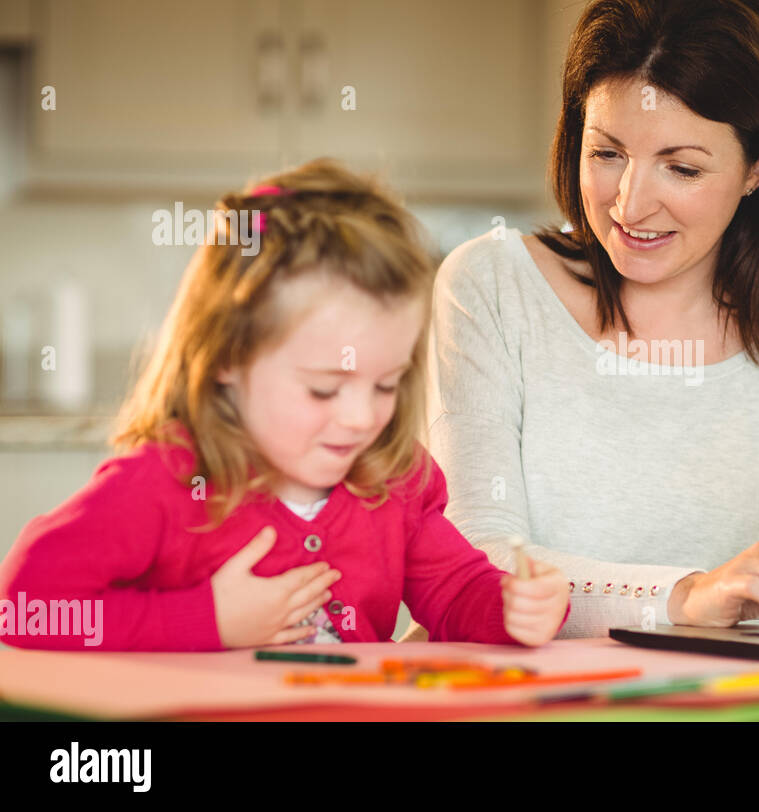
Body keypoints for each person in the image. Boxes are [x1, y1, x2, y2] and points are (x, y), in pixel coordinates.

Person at [401, 0, 759, 642]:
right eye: (607, 153)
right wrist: (687, 595)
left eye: (681, 167)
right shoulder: (491, 287)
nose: (629, 204)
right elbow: (476, 564)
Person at [0, 159, 569, 651]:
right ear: (227, 354)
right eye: (324, 388)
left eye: (386, 384)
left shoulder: (393, 481)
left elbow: (455, 594)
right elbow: (24, 607)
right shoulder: (165, 483)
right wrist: (209, 620)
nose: (360, 418)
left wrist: (514, 607)